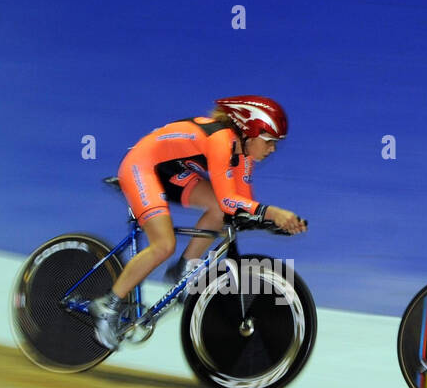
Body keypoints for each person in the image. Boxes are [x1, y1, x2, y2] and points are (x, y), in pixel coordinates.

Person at [88, 96, 307, 349]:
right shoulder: (221, 140)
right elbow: (229, 201)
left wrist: (278, 223)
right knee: (163, 244)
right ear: (250, 131)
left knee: (219, 210)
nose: (272, 149)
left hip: (170, 170)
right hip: (142, 166)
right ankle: (108, 306)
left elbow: (240, 206)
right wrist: (273, 213)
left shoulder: (243, 155)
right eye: (269, 141)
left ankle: (184, 269)